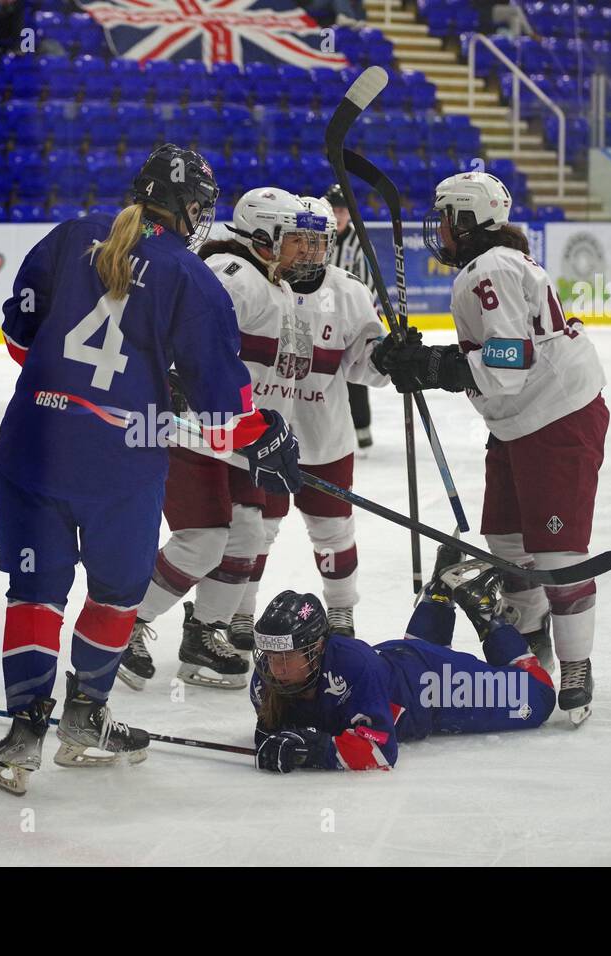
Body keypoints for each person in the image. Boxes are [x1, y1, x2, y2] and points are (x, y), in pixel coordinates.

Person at [0, 147, 303, 796]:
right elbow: (222, 406)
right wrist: (263, 439)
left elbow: (19, 337)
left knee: (35, 595)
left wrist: (66, 397)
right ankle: (84, 718)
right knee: (115, 595)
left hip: (31, 447)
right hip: (121, 459)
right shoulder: (189, 275)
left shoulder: (70, 234)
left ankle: (21, 736)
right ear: (187, 209)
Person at [372, 172, 608, 727]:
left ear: (465, 221)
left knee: (557, 552)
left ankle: (576, 665)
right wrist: (424, 359)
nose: (441, 229)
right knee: (505, 543)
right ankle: (529, 638)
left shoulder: (490, 267)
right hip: (518, 423)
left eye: (446, 217)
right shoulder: (494, 264)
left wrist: (436, 368)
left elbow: (510, 360)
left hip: (555, 416)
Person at [116, 187, 318, 695]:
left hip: (242, 437)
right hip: (200, 431)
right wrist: (177, 383)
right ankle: (125, 627)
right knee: (203, 538)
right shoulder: (233, 275)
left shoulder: (277, 285)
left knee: (247, 534)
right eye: (296, 241)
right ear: (262, 237)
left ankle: (205, 632)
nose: (307, 253)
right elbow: (177, 333)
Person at [225, 196, 391, 649]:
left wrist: (393, 356)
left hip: (325, 434)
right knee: (255, 529)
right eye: (301, 241)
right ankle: (241, 613)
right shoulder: (255, 285)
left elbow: (366, 367)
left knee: (334, 530)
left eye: (320, 243)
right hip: (262, 433)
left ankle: (340, 612)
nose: (311, 253)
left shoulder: (349, 292)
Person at [250, 545, 555, 774]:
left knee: (538, 698)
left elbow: (381, 751)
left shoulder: (353, 667)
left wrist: (315, 751)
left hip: (430, 686)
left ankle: (484, 608)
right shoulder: (264, 680)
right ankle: (439, 590)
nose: (277, 668)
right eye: (271, 655)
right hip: (393, 663)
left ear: (317, 647)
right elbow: (277, 728)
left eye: (288, 656)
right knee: (413, 657)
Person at [325, 183, 380, 453]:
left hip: (349, 316)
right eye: (334, 209)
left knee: (355, 368)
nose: (337, 215)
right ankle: (323, 427)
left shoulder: (359, 242)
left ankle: (362, 426)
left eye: (342, 210)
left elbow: (368, 282)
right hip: (319, 313)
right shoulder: (316, 236)